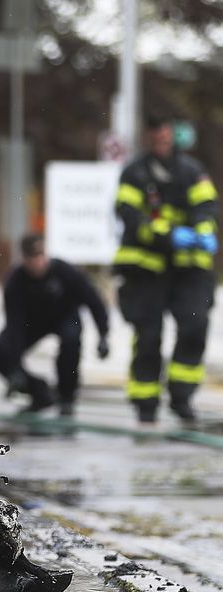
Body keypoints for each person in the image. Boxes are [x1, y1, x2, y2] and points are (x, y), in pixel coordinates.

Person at [114, 114, 218, 424]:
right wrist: (166, 235)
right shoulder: (135, 173)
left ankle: (182, 396)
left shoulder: (192, 171)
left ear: (172, 136)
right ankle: (145, 403)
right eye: (156, 138)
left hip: (189, 271)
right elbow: (129, 215)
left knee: (195, 326)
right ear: (148, 137)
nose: (162, 143)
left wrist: (204, 230)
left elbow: (207, 205)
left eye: (166, 137)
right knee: (148, 335)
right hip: (148, 270)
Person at [0, 234, 110, 416]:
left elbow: (94, 302)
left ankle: (67, 397)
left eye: (41, 256)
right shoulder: (15, 282)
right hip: (32, 322)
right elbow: (14, 325)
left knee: (71, 342)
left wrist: (103, 335)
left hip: (65, 316)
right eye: (33, 258)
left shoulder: (65, 271)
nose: (39, 263)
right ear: (24, 259)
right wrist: (14, 369)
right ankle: (40, 393)